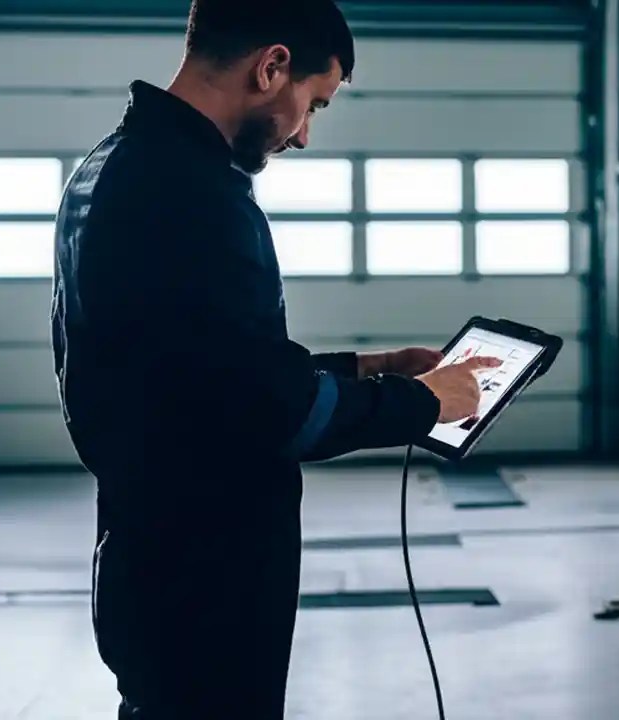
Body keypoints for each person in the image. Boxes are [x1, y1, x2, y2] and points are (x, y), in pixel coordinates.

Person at [50, 1, 497, 716]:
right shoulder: (191, 193)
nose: (305, 135)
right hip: (206, 574)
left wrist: (368, 368)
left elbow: (200, 367)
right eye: (311, 104)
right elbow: (270, 410)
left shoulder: (112, 166)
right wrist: (425, 403)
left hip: (151, 551)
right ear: (272, 66)